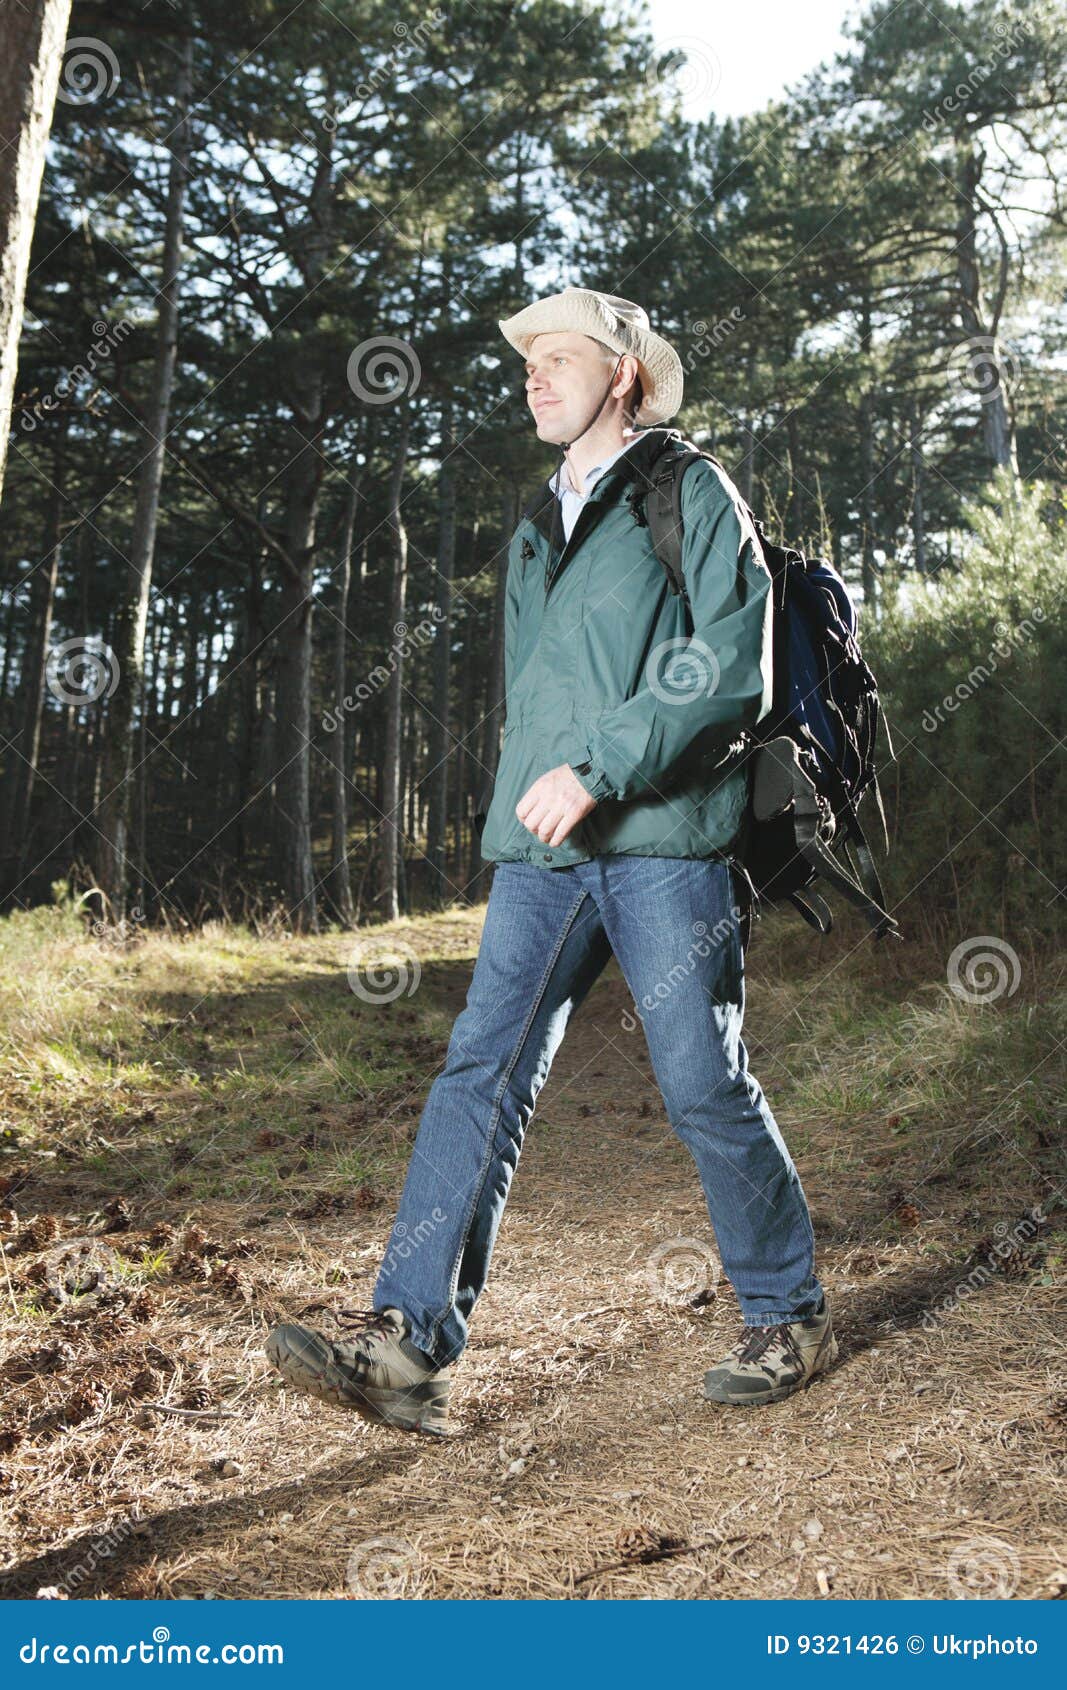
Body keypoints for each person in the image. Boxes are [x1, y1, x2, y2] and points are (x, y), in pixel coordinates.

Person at [265, 287, 838, 1436]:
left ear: (622, 373)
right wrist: (533, 797)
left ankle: (786, 1311)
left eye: (559, 357)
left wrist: (599, 768)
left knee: (699, 1080)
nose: (533, 375)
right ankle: (404, 1342)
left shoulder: (687, 489)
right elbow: (539, 690)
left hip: (664, 840)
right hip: (543, 851)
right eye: (527, 361)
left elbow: (730, 666)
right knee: (477, 1072)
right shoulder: (536, 520)